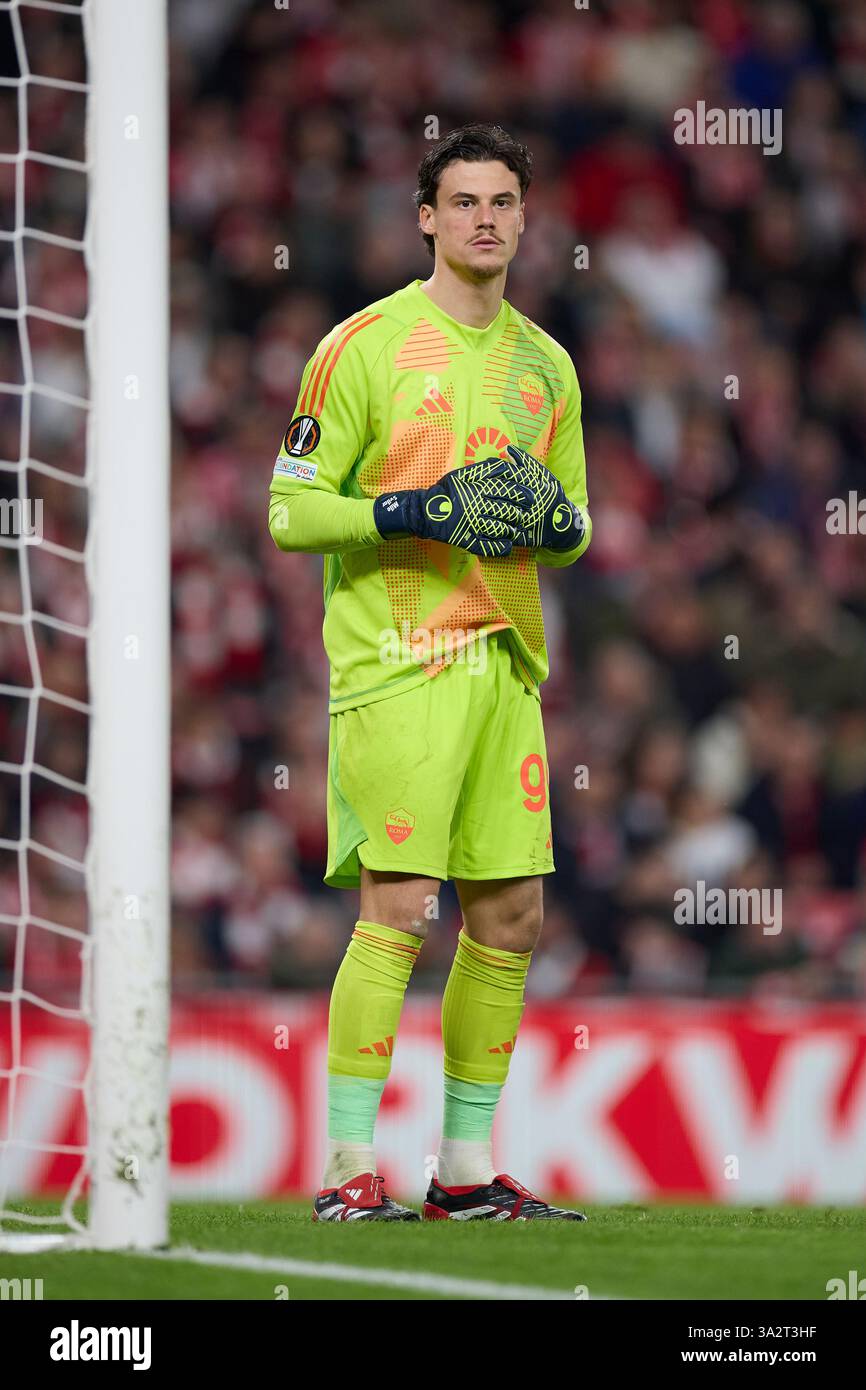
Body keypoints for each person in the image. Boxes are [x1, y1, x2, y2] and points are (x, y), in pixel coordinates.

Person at [269, 124, 592, 1221]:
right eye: (462, 202)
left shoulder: (547, 366)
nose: (484, 219)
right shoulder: (359, 345)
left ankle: (459, 1170)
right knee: (400, 908)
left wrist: (554, 521)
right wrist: (412, 509)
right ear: (425, 216)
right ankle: (346, 1166)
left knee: (509, 917)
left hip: (503, 663)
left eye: (502, 200)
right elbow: (291, 507)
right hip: (397, 659)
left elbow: (573, 524)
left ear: (524, 215)